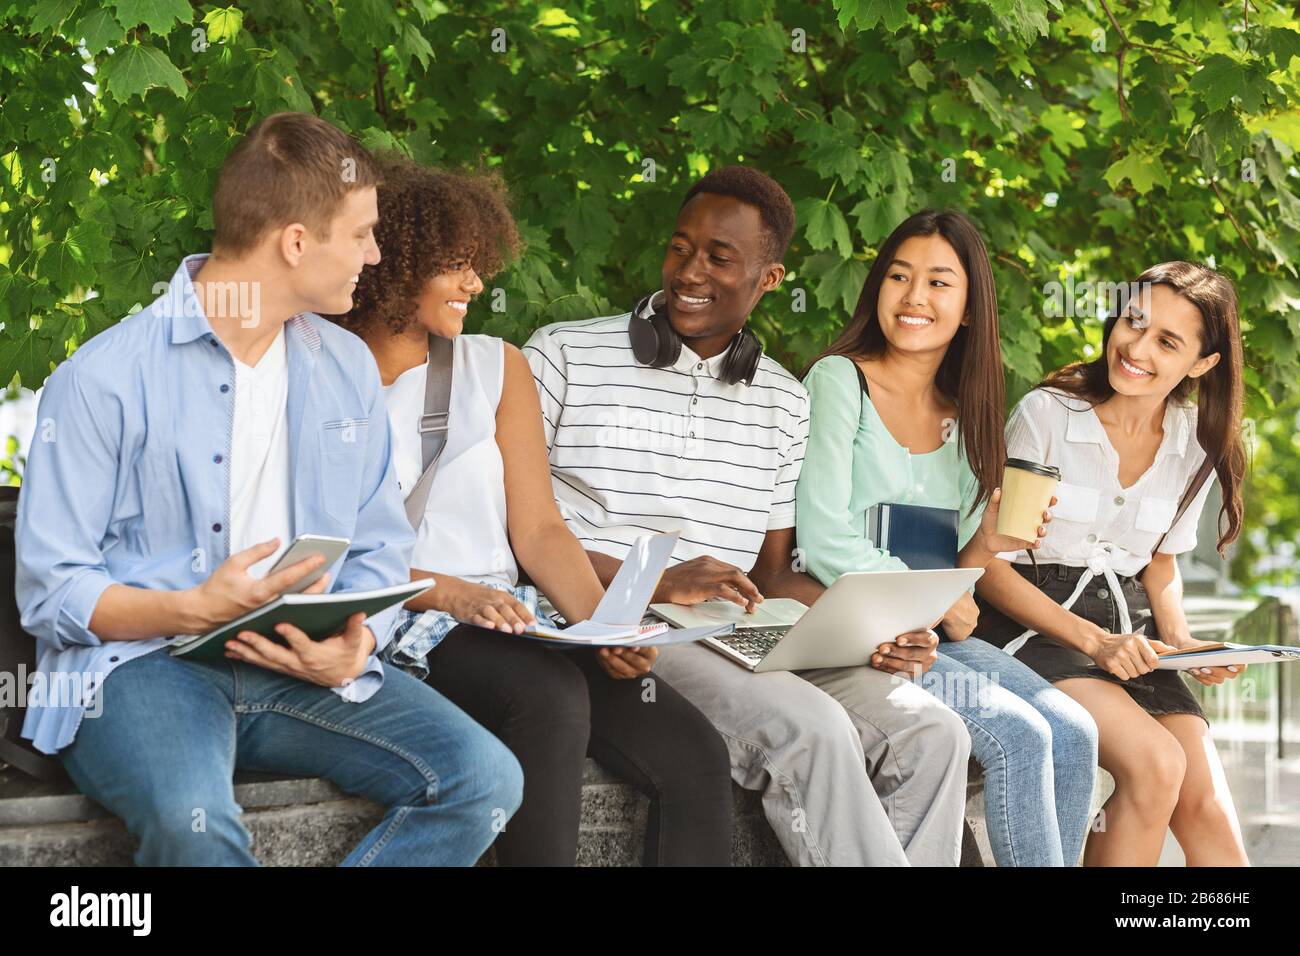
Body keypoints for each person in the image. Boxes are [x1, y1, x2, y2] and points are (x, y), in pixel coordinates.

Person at [15, 113, 522, 866]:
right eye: (361, 235)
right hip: (144, 669)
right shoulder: (103, 379)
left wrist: (360, 644)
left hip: (298, 662)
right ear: (294, 242)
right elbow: (52, 595)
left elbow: (380, 550)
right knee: (194, 820)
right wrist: (187, 609)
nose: (377, 256)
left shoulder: (343, 367)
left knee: (484, 780)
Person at [525, 165, 972, 866]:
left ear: (769, 279)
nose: (688, 271)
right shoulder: (561, 354)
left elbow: (772, 574)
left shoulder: (785, 401)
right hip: (623, 622)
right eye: (680, 248)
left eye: (719, 257)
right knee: (814, 730)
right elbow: (517, 533)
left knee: (932, 731)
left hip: (742, 630)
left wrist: (876, 632)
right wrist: (662, 581)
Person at [331, 156, 734, 866]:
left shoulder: (496, 365)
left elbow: (541, 529)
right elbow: (325, 546)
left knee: (693, 751)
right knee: (546, 697)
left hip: (518, 617)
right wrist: (450, 593)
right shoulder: (316, 371)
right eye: (455, 265)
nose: (476, 284)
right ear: (395, 265)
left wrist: (601, 627)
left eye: (478, 264)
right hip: (404, 615)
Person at [794, 209, 1099, 866]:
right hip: (850, 631)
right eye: (900, 277)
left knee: (1073, 731)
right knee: (1017, 735)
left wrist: (987, 545)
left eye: (938, 282)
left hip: (930, 633)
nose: (914, 298)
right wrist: (933, 601)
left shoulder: (965, 414)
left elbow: (953, 564)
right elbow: (823, 539)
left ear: (967, 309)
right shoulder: (838, 381)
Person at [974, 261, 1250, 866]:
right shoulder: (1047, 414)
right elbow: (991, 566)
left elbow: (1160, 565)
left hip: (1132, 632)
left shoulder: (1195, 445)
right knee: (1156, 764)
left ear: (1203, 364)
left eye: (1167, 341)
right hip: (1034, 622)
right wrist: (1093, 642)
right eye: (1135, 321)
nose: (1136, 346)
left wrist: (1181, 639)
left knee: (1207, 804)